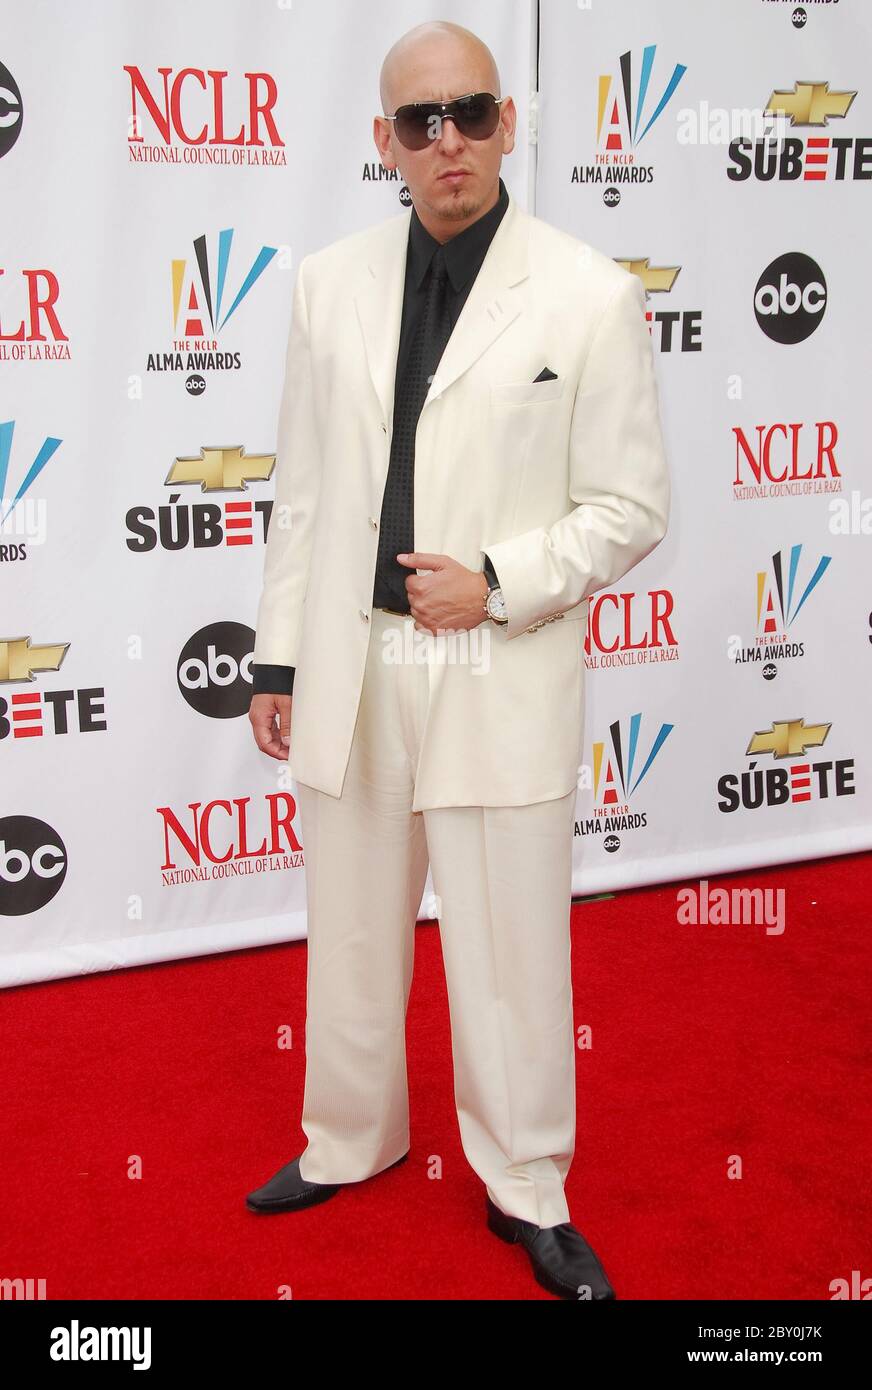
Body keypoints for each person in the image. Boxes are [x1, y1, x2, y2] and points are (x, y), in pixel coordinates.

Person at [245, 19, 669, 1301]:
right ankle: (348, 1138)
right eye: (418, 121)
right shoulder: (327, 281)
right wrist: (277, 661)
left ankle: (526, 1184)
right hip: (352, 658)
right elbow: (303, 488)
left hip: (498, 659)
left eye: (469, 112)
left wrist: (499, 583)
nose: (447, 142)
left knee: (510, 943)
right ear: (384, 140)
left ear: (507, 124)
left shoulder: (590, 293)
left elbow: (628, 507)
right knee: (352, 929)